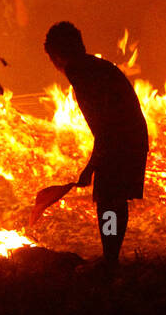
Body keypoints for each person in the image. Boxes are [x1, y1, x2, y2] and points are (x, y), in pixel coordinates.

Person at [44, 21, 149, 270]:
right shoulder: (92, 66)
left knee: (109, 201)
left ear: (57, 56)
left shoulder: (83, 74)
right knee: (111, 199)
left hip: (123, 139)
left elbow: (105, 125)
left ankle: (110, 261)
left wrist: (91, 166)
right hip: (129, 136)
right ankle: (110, 257)